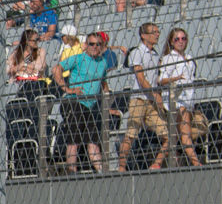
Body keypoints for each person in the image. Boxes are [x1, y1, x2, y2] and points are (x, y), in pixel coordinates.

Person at [53, 31, 113, 172]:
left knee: (93, 141)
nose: (95, 47)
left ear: (102, 46)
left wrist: (108, 102)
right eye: (91, 44)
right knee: (74, 140)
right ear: (86, 45)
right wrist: (67, 89)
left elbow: (103, 82)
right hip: (74, 102)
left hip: (90, 106)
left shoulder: (103, 63)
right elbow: (56, 69)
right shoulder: (79, 58)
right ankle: (71, 172)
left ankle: (102, 173)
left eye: (98, 44)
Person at [119, 22, 170, 172]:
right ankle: (121, 167)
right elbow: (140, 78)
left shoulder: (155, 54)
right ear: (143, 35)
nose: (157, 34)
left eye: (158, 32)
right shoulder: (137, 52)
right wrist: (155, 94)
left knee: (168, 135)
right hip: (139, 99)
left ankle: (156, 164)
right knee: (131, 134)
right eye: (154, 32)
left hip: (151, 101)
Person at [157, 27, 203, 167]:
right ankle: (196, 163)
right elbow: (161, 80)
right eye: (177, 39)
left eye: (183, 38)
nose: (180, 41)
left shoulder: (189, 59)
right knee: (185, 135)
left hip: (188, 101)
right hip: (177, 102)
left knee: (174, 136)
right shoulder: (169, 58)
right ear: (172, 42)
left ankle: (157, 163)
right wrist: (176, 79)